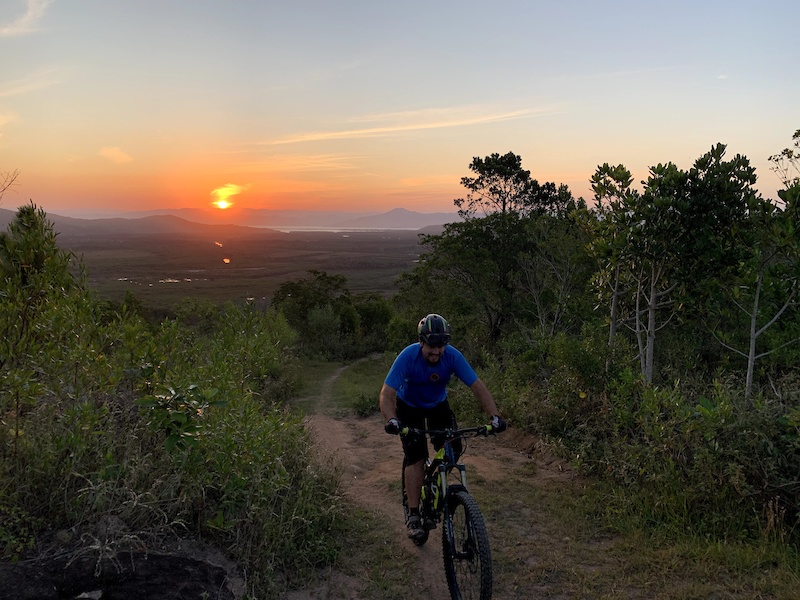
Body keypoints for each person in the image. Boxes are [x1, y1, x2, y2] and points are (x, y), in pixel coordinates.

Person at [379, 313, 506, 543]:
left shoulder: (453, 357)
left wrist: (494, 416)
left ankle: (437, 487)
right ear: (421, 342)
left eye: (441, 346)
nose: (436, 351)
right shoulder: (408, 357)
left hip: (438, 406)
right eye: (431, 346)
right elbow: (387, 394)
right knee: (416, 456)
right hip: (409, 407)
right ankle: (415, 515)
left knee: (452, 449)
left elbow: (478, 387)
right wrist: (392, 420)